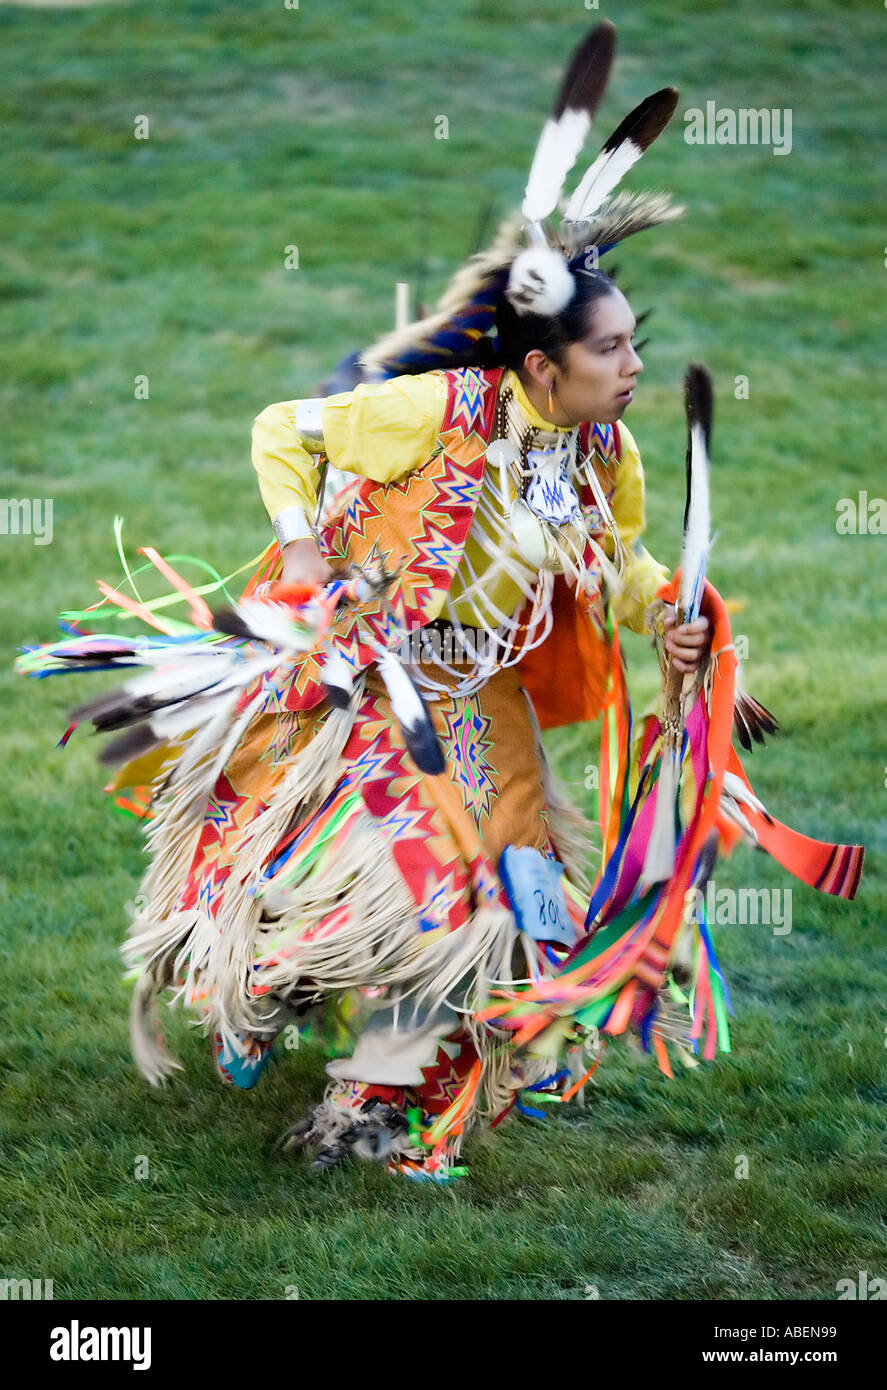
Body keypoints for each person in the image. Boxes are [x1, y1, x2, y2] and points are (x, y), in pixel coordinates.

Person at [17, 23, 862, 1181]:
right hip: (369, 677)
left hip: (482, 690)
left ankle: (381, 1087)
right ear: (540, 367)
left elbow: (613, 567)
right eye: (609, 350)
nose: (631, 367)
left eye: (634, 345)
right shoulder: (435, 411)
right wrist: (302, 552)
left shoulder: (602, 451)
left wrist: (674, 616)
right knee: (371, 880)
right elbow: (280, 430)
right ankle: (300, 1026)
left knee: (498, 891)